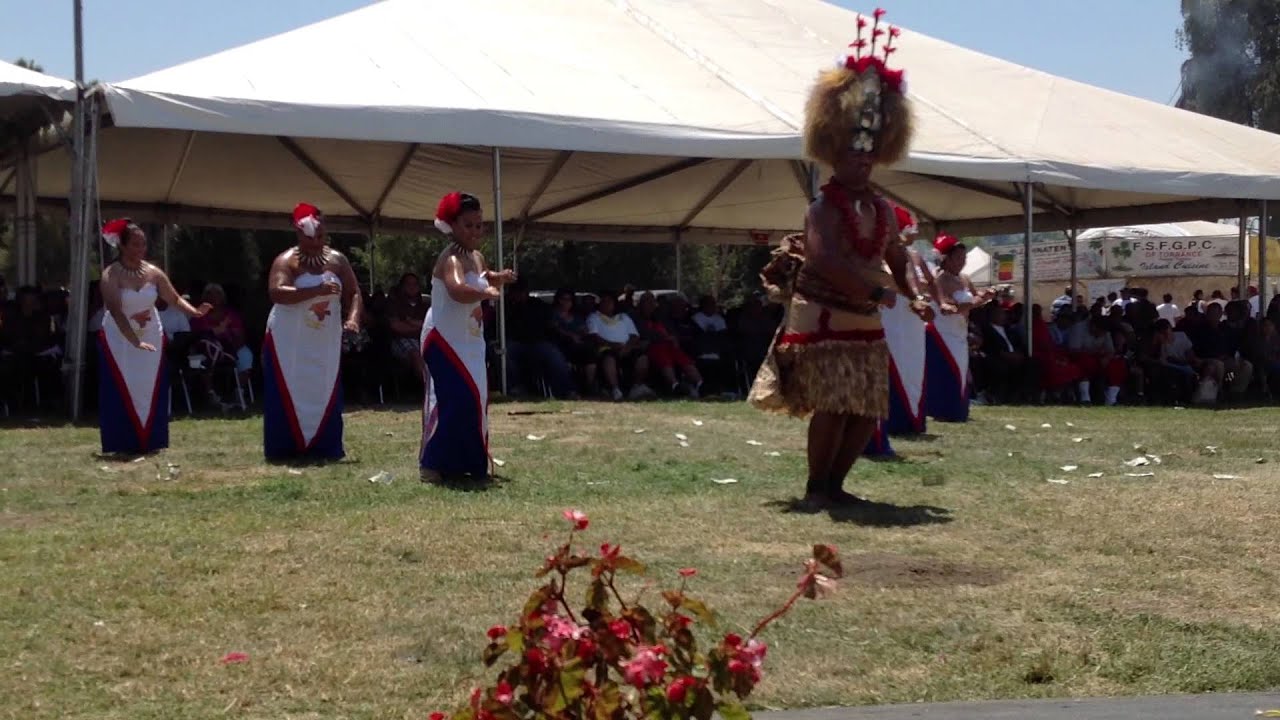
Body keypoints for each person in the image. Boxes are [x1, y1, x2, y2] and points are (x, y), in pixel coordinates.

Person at [750, 11, 928, 509]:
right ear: (837, 157)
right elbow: (824, 259)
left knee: (867, 409)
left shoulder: (881, 208)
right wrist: (874, 292)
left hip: (867, 317)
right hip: (825, 315)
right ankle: (815, 488)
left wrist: (913, 298)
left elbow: (895, 253)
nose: (863, 163)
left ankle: (837, 485)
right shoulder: (824, 207)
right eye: (854, 157)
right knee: (832, 403)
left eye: (869, 157)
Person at [419, 192, 514, 482]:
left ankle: (468, 463)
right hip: (445, 338)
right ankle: (434, 465)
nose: (475, 231)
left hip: (470, 339)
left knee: (474, 399)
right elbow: (458, 289)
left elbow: (482, 275)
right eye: (468, 225)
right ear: (453, 226)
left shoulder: (474, 256)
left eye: (479, 225)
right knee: (453, 398)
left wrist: (498, 277)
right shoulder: (450, 258)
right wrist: (485, 292)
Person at [96, 219, 210, 454]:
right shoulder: (111, 274)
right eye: (135, 244)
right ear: (123, 246)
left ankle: (151, 438)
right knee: (123, 384)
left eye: (143, 244)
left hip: (151, 334)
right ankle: (121, 441)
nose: (141, 249)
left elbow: (174, 299)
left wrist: (195, 312)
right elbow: (115, 311)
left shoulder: (153, 272)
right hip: (120, 338)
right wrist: (134, 340)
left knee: (149, 384)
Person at [262, 203, 363, 461]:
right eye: (310, 237)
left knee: (324, 385)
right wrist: (315, 291)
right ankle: (286, 447)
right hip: (290, 338)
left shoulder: (337, 260)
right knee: (291, 387)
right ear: (298, 234)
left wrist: (352, 319)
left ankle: (325, 446)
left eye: (320, 236)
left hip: (324, 338)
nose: (316, 242)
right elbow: (276, 293)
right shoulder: (286, 261)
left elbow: (353, 293)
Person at [927, 234, 989, 420]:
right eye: (958, 258)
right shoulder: (940, 279)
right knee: (946, 368)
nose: (962, 262)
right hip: (943, 329)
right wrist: (974, 303)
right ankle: (942, 408)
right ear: (947, 258)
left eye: (964, 258)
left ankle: (958, 406)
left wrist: (985, 296)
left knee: (961, 369)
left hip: (960, 329)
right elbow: (947, 306)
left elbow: (976, 297)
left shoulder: (964, 278)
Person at [587, 292, 653, 401]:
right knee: (609, 358)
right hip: (607, 348)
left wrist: (627, 347)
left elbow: (634, 336)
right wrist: (613, 345)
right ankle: (615, 389)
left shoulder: (624, 317)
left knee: (642, 358)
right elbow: (594, 336)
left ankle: (636, 387)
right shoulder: (594, 317)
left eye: (609, 301)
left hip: (627, 348)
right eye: (604, 302)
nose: (607, 304)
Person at [387, 272, 429, 384]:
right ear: (402, 286)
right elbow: (397, 326)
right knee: (415, 353)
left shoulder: (424, 305)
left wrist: (410, 322)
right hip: (400, 340)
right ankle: (427, 386)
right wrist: (419, 326)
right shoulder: (395, 304)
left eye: (415, 284)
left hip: (422, 339)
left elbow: (429, 324)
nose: (412, 287)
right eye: (408, 284)